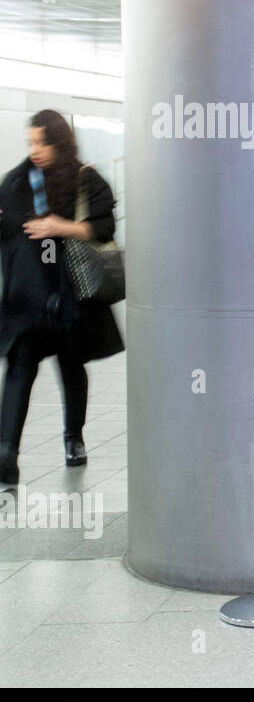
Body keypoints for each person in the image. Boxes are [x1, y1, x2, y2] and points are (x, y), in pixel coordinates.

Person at [0, 110, 124, 489]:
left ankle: (74, 438)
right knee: (20, 368)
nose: (35, 150)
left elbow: (104, 228)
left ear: (60, 142)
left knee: (71, 367)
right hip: (28, 299)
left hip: (72, 297)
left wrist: (60, 227)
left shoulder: (85, 180)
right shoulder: (17, 183)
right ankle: (7, 454)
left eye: (43, 142)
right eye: (31, 143)